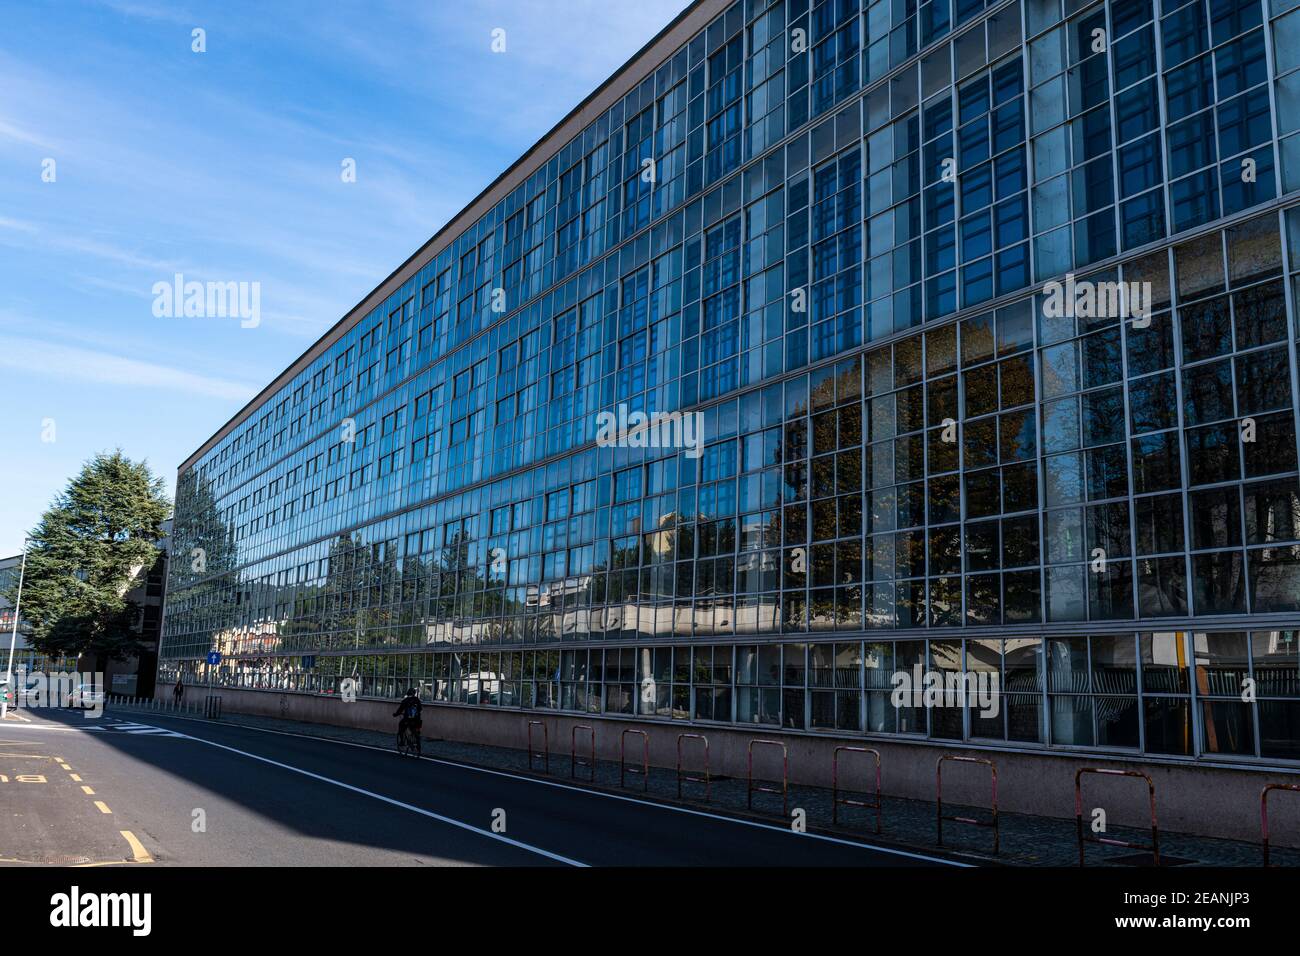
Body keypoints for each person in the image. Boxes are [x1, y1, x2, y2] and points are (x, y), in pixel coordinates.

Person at [393, 687, 422, 754]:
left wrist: (396, 714)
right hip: (417, 719)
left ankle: (402, 741)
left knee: (401, 726)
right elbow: (420, 709)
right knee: (416, 729)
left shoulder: (405, 701)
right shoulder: (417, 700)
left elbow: (400, 710)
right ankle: (417, 744)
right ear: (414, 693)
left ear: (408, 693)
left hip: (408, 719)